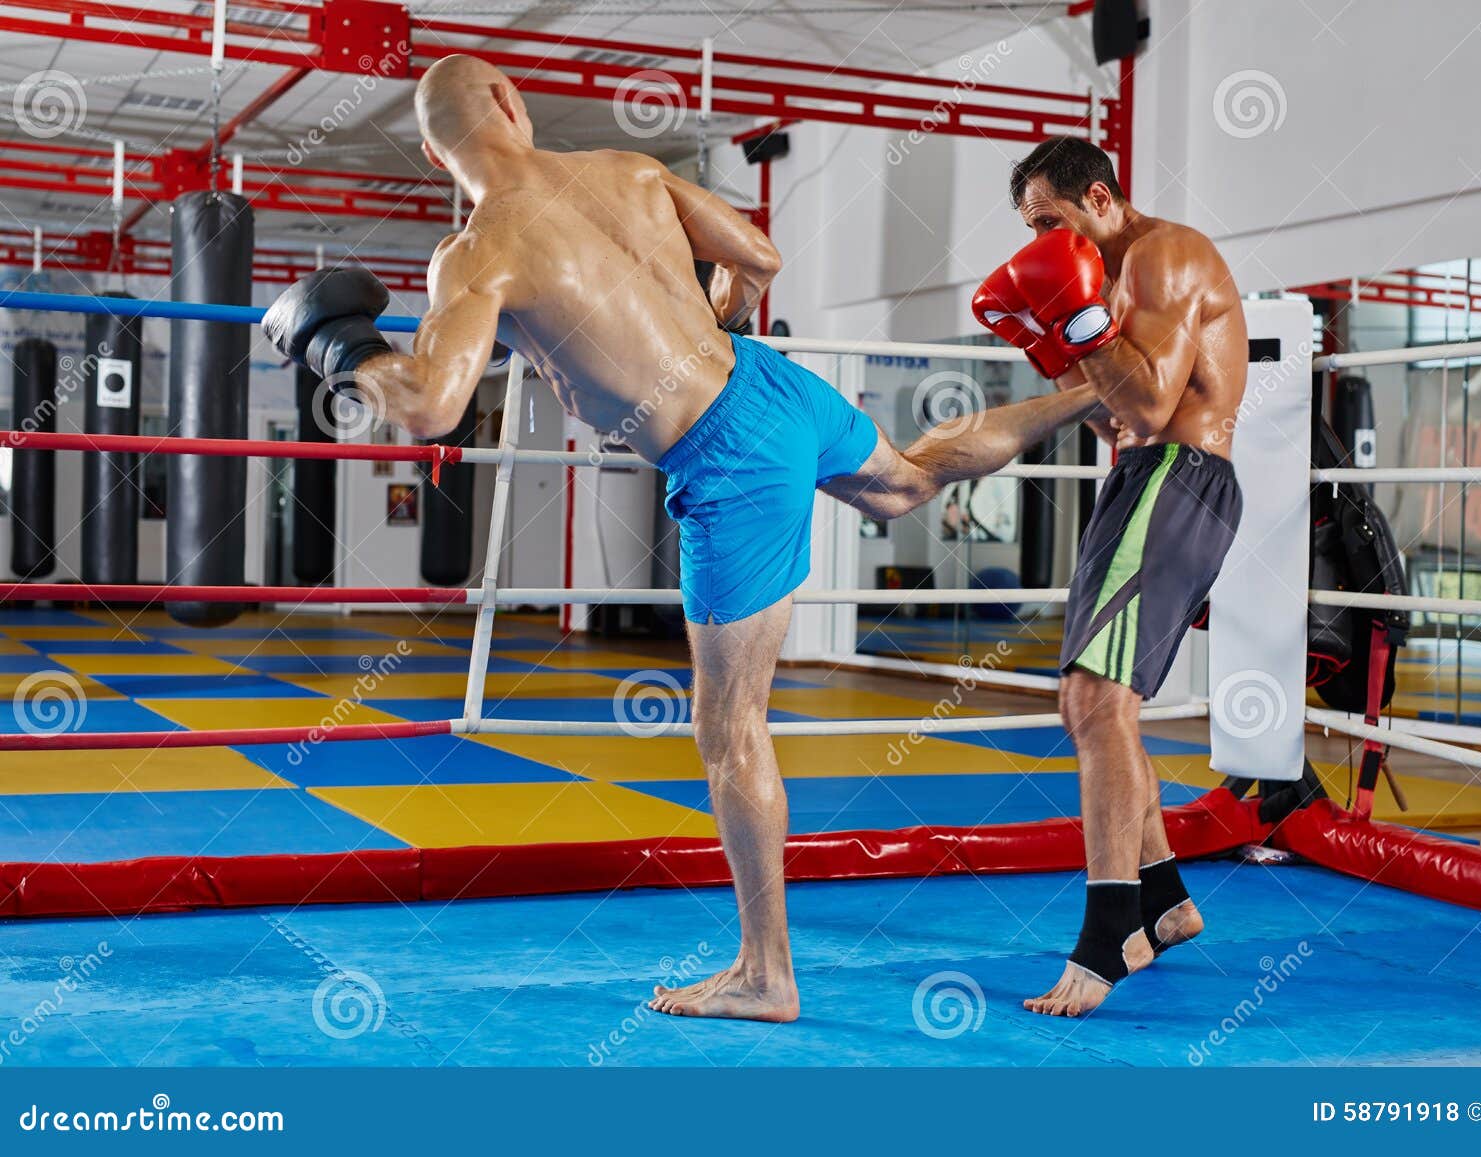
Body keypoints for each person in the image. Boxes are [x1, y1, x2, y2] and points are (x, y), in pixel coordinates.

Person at [263, 54, 1109, 1023]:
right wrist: (701, 328)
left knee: (727, 727)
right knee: (910, 480)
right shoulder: (626, 170)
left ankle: (764, 971)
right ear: (513, 105)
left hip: (726, 458)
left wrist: (344, 349)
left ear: (430, 150)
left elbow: (430, 406)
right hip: (767, 381)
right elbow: (759, 257)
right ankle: (1094, 389)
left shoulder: (477, 250)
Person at [971, 136, 1247, 1017]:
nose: (1043, 240)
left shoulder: (1163, 255)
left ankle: (1108, 935)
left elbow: (1152, 406)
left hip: (1177, 474)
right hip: (1141, 477)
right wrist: (1056, 336)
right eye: (1031, 229)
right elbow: (1113, 420)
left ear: (1098, 197)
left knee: (1098, 702)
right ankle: (1165, 902)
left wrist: (1074, 320)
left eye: (1050, 221)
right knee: (1090, 704)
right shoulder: (1108, 274)